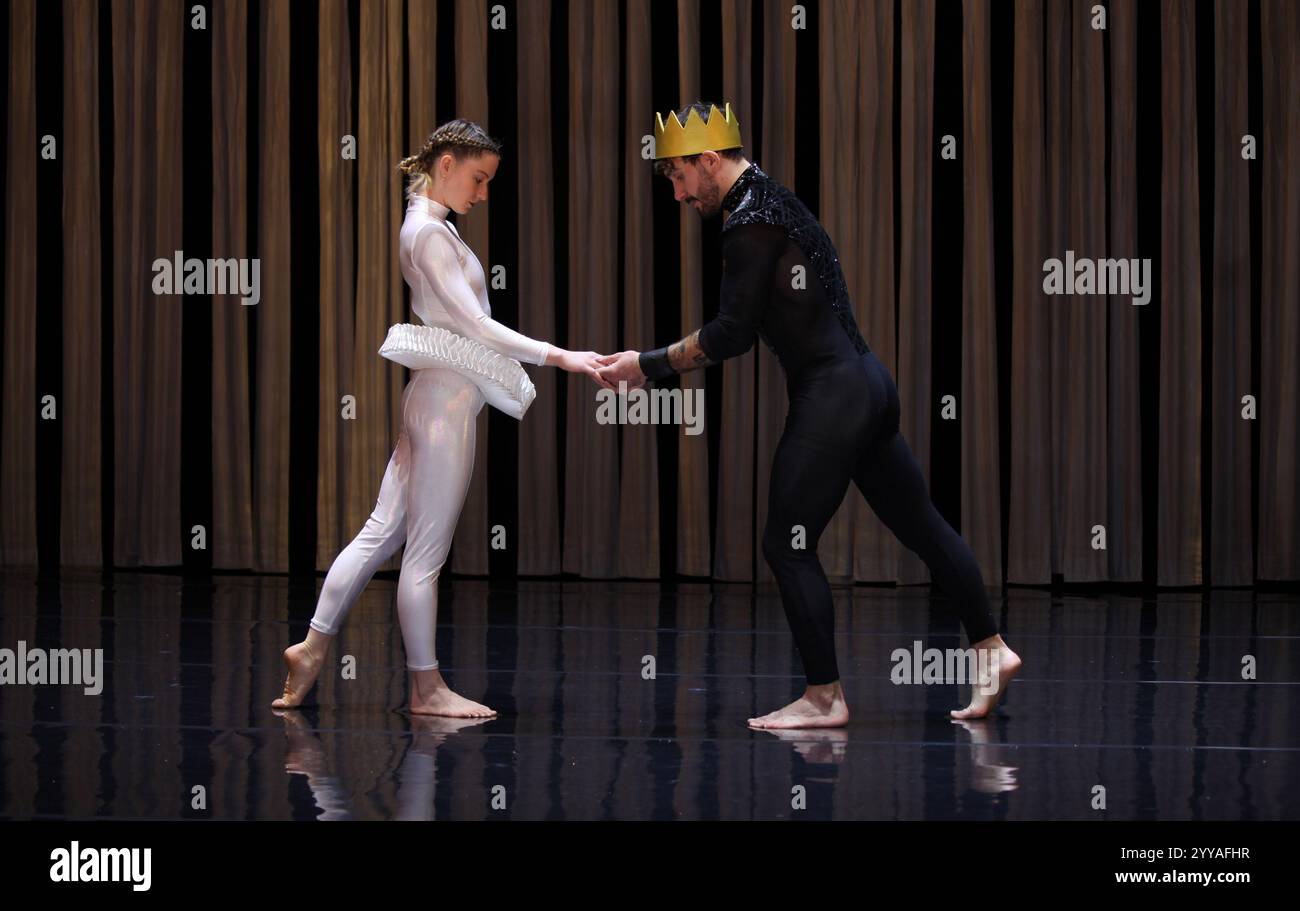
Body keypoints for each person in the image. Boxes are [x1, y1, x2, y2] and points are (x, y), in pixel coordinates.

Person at [597, 102, 1022, 729]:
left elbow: (730, 334)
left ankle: (824, 697)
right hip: (870, 385)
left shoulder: (746, 222)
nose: (679, 193)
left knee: (786, 544)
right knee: (923, 526)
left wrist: (646, 363)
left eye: (679, 177)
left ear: (709, 159)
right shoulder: (777, 197)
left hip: (832, 396)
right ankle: (991, 648)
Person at [273, 119, 611, 717]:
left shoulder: (430, 229)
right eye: (477, 180)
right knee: (423, 552)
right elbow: (477, 327)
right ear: (447, 164)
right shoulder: (429, 234)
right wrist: (563, 356)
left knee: (383, 532)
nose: (481, 195)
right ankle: (425, 688)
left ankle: (314, 644)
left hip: (433, 397)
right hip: (445, 406)